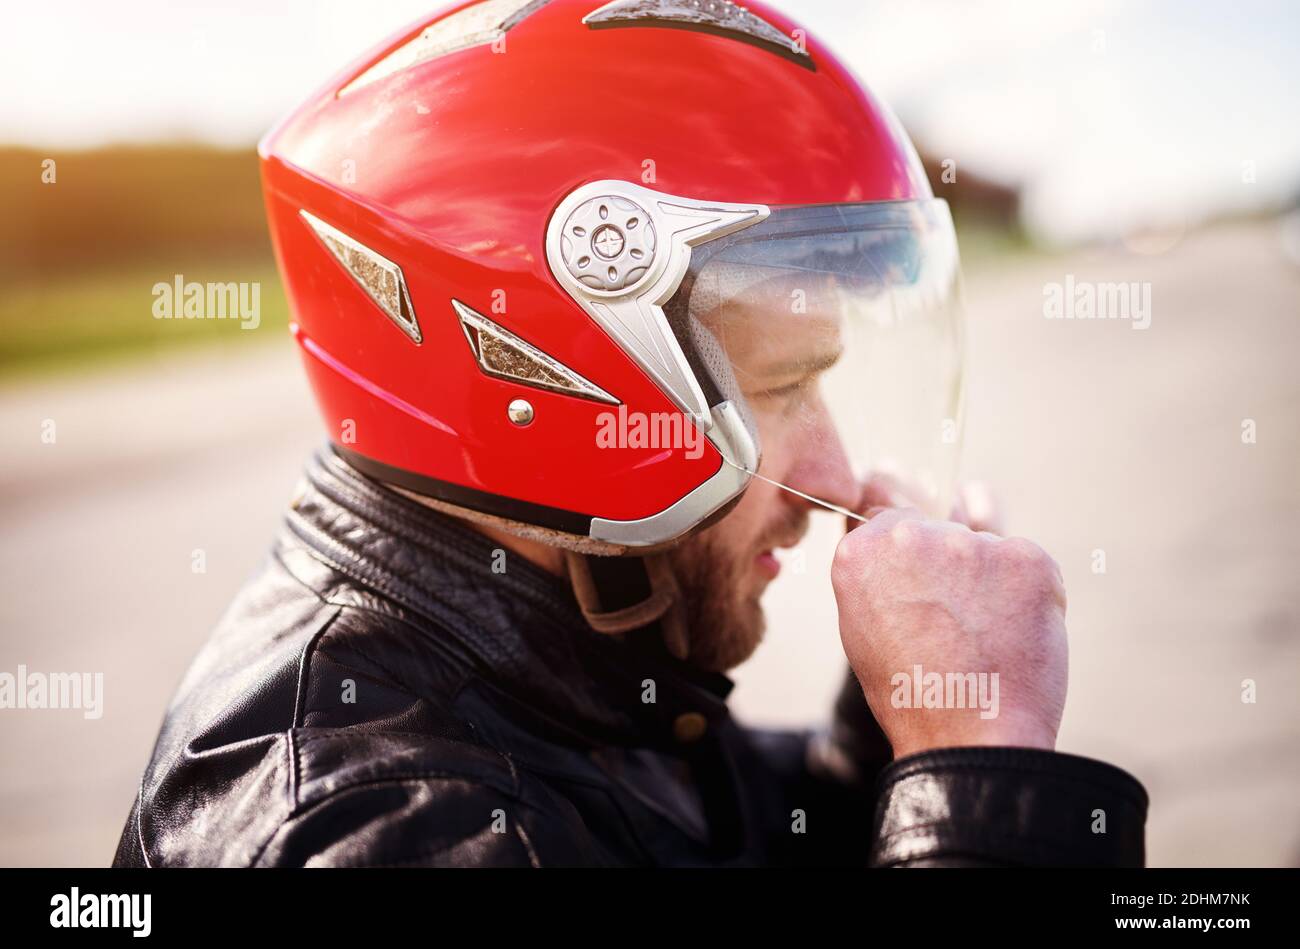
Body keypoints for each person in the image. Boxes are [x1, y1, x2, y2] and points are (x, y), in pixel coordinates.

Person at [113, 0, 1147, 867]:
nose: (832, 477)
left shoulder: (580, 641)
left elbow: (690, 832)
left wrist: (888, 742)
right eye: (783, 386)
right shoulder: (380, 827)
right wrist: (981, 763)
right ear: (559, 396)